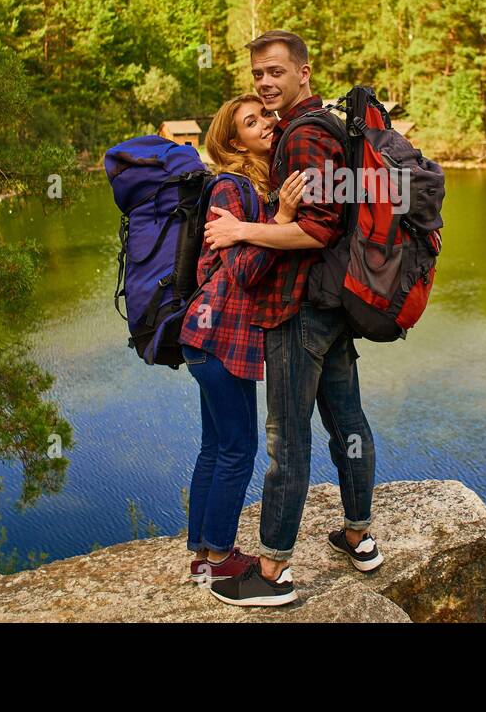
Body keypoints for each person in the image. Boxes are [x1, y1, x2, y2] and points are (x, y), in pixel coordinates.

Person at [203, 31, 381, 609]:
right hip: (335, 303)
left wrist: (242, 229)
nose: (265, 83)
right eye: (258, 74)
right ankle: (358, 536)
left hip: (299, 308)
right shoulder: (325, 125)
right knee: (347, 421)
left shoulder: (304, 134)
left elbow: (318, 228)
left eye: (276, 72)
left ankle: (273, 570)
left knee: (288, 439)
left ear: (304, 72)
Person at [179, 92, 304, 603]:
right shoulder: (230, 187)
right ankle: (222, 557)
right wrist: (283, 216)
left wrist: (272, 211)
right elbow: (247, 272)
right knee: (238, 450)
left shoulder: (254, 186)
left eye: (265, 116)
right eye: (251, 122)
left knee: (214, 447)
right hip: (217, 337)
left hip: (210, 340)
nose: (266, 124)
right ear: (232, 142)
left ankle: (203, 555)